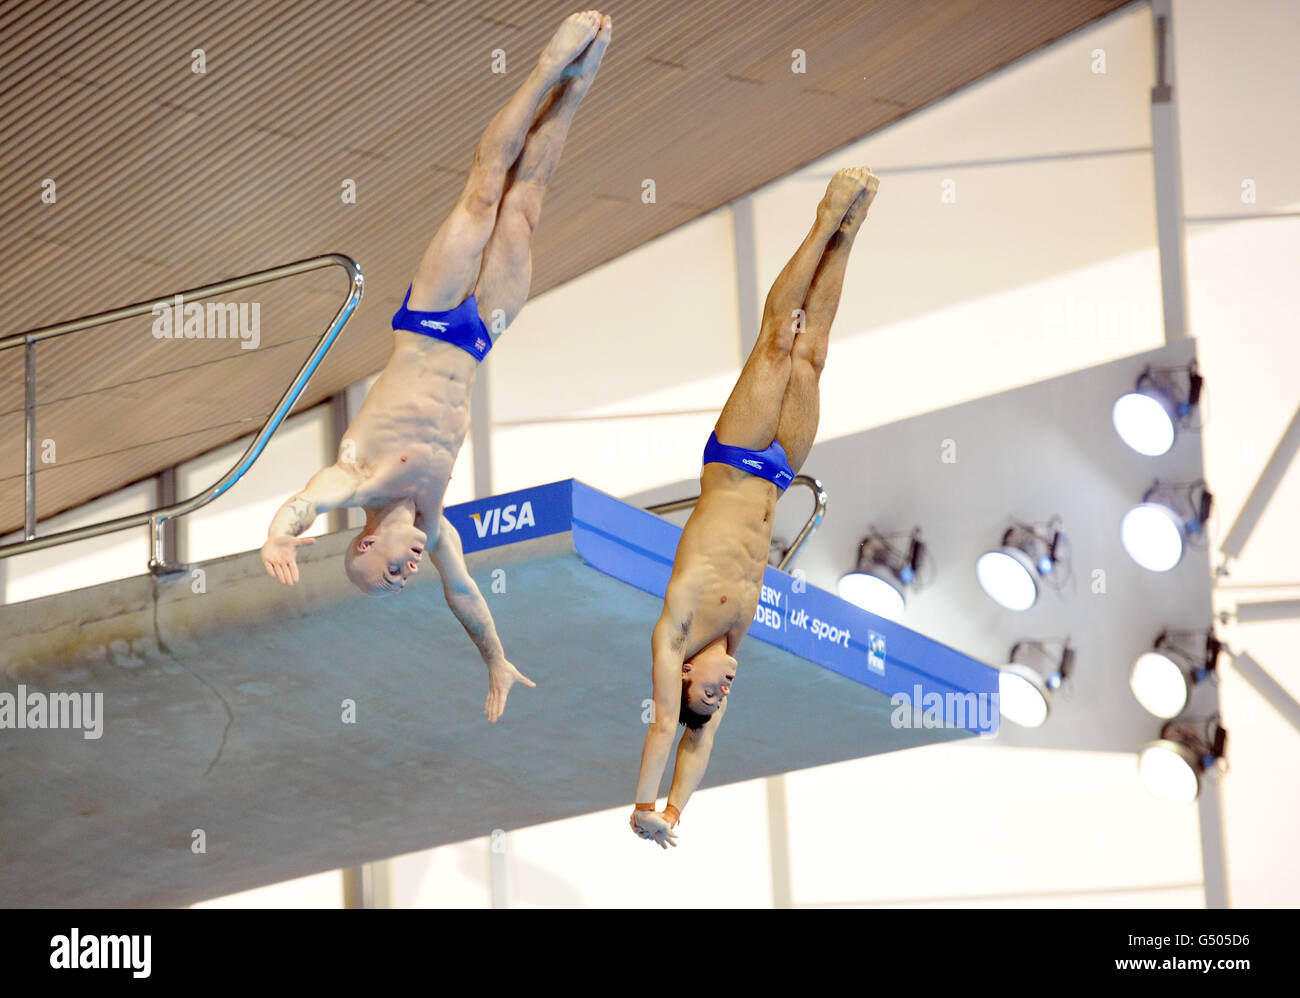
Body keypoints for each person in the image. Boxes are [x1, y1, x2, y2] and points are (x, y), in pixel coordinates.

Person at [260, 11, 613, 723]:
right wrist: (494, 660)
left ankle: (547, 66)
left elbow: (306, 502)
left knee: (484, 190)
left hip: (428, 319)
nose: (411, 568)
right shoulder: (436, 519)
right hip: (480, 335)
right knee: (525, 209)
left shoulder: (357, 477)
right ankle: (577, 90)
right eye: (406, 576)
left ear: (367, 539)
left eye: (393, 568)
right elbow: (464, 595)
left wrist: (278, 533)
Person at [630, 166, 879, 845]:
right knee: (814, 355)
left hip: (735, 459)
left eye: (707, 694)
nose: (722, 693)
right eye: (720, 699)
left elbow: (664, 727)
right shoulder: (734, 637)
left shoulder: (677, 630)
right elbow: (699, 741)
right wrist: (680, 812)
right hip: (779, 471)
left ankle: (826, 217)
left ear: (683, 673)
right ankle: (851, 235)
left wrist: (644, 807)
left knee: (777, 340)